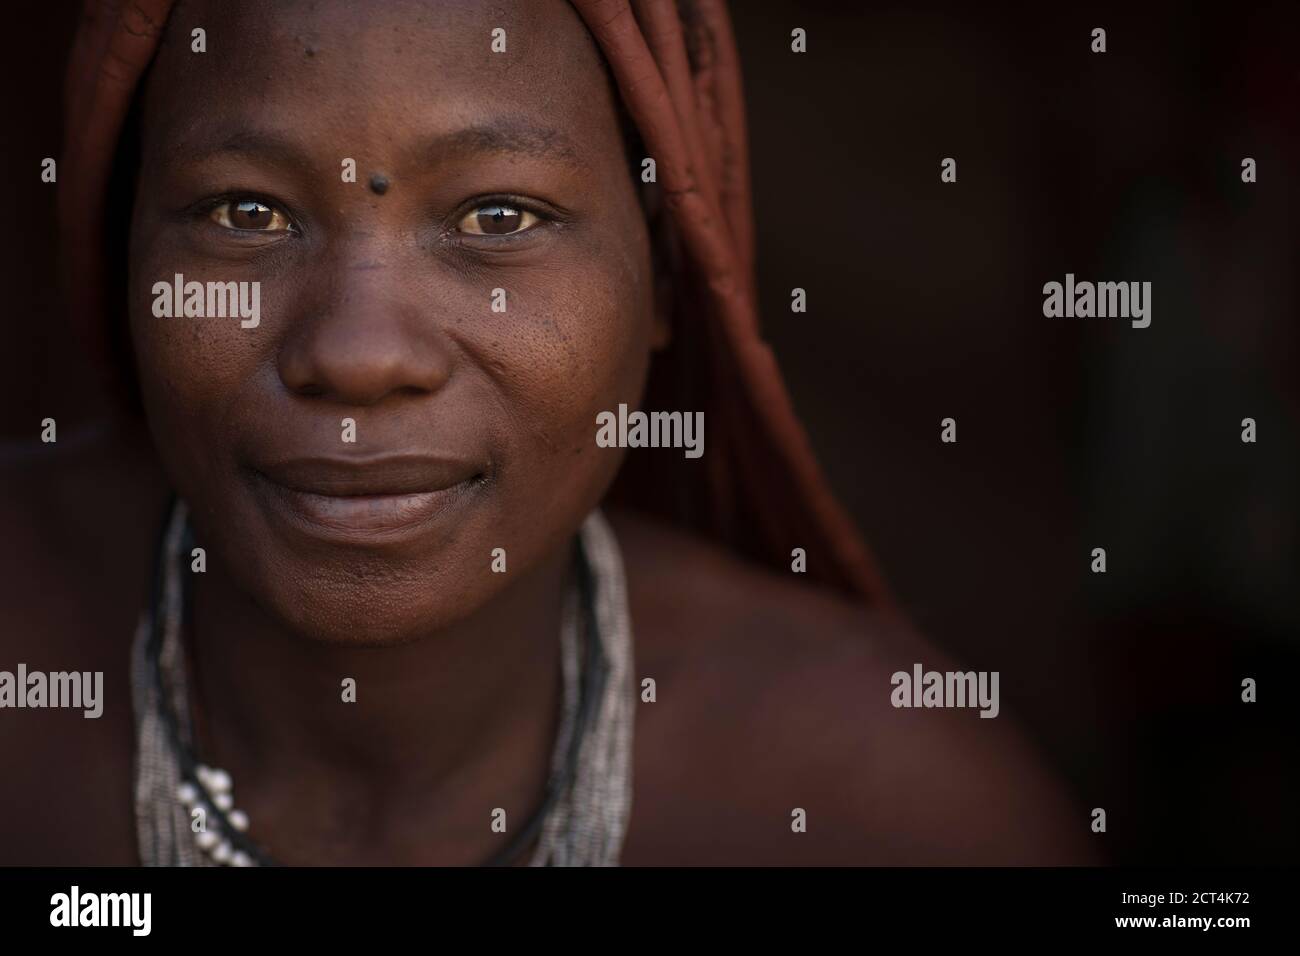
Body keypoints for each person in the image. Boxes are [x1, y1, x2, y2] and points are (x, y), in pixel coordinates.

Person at [0, 0, 1094, 865]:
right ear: (122, 256)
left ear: (665, 274)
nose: (359, 351)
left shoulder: (883, 808)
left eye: (497, 216)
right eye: (245, 211)